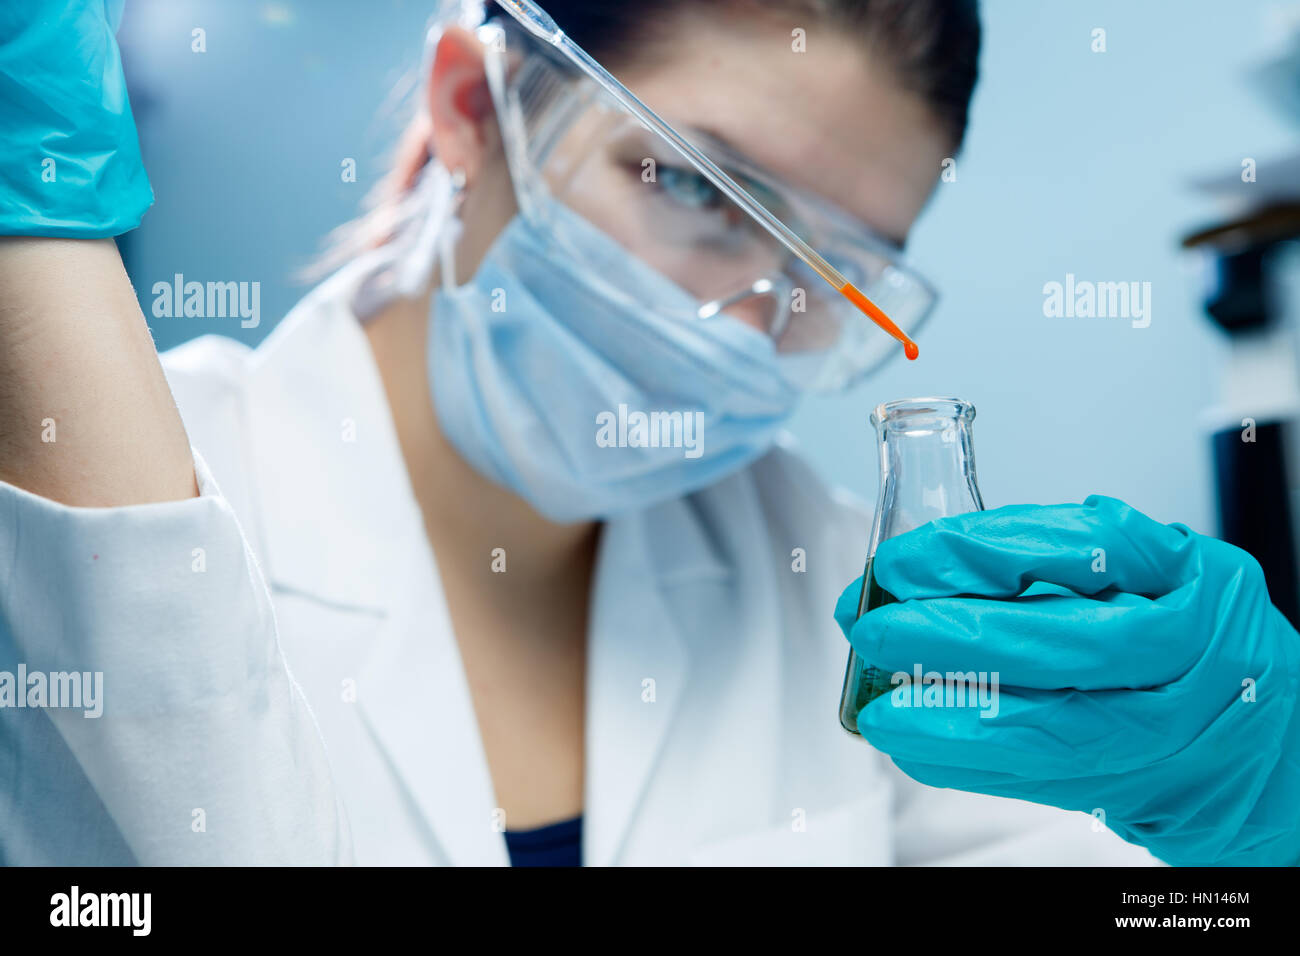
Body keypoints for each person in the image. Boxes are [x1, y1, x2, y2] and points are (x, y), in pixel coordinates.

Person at [0, 0, 1294, 867]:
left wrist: (1256, 810)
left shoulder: (844, 597)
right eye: (693, 184)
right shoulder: (103, 527)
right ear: (469, 106)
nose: (740, 323)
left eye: (833, 276)